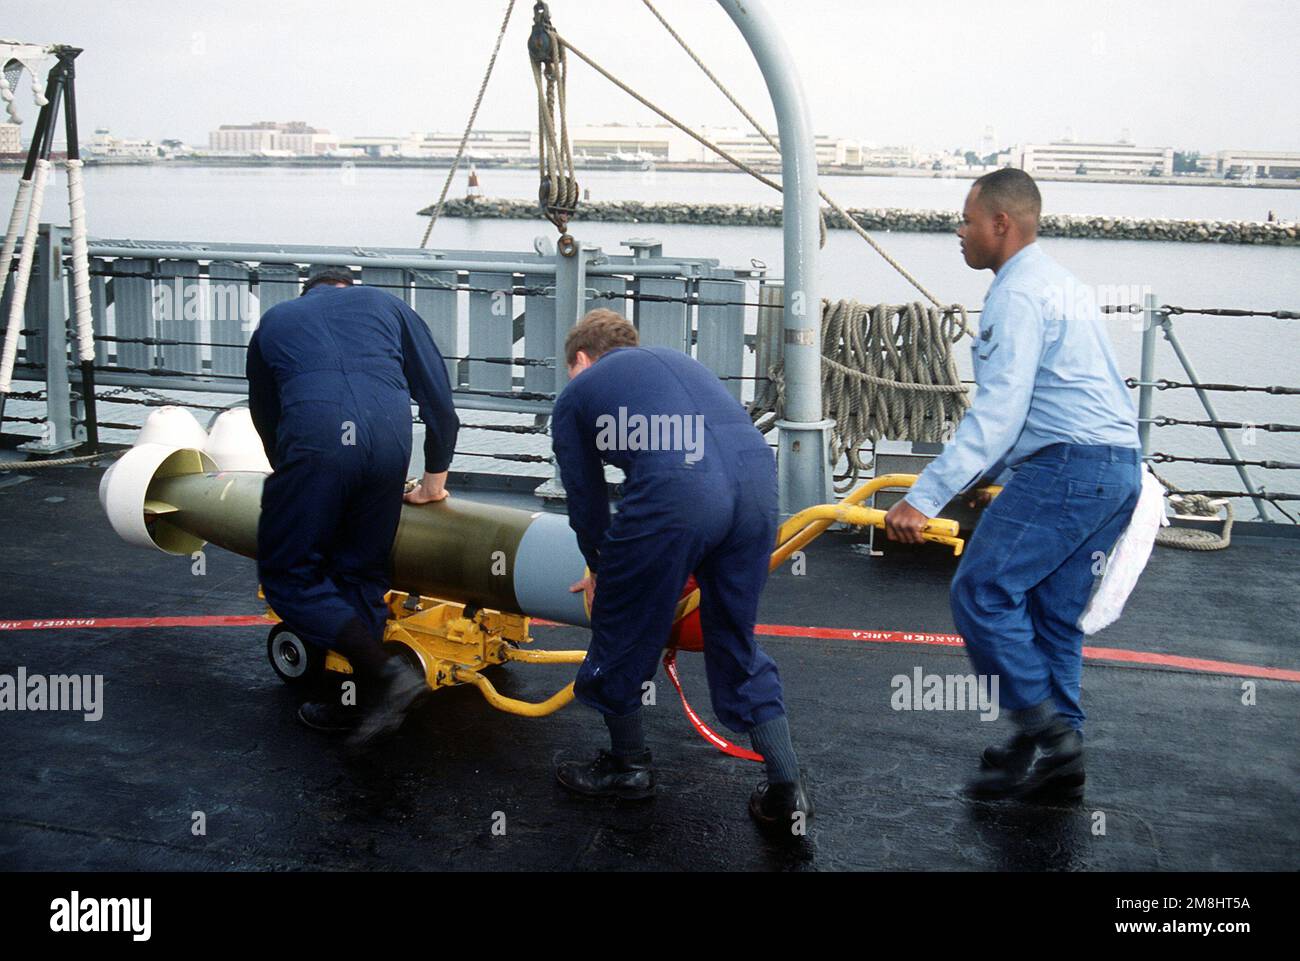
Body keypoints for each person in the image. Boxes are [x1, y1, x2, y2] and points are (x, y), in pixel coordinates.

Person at [883, 169, 1141, 800]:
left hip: (1070, 469)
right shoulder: (1061, 284)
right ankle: (1059, 755)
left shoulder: (1016, 294)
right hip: (1117, 468)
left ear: (1001, 224)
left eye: (967, 220)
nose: (959, 231)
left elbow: (999, 412)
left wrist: (924, 495)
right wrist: (989, 475)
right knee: (1052, 617)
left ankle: (1047, 734)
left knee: (983, 591)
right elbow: (1045, 402)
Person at [549, 309, 812, 832]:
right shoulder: (675, 362)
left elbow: (586, 498)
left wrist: (602, 568)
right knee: (734, 636)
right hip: (758, 484)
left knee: (622, 629)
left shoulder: (578, 393)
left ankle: (628, 768)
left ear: (580, 359)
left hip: (681, 492)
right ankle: (788, 788)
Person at [246, 264, 460, 744]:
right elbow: (440, 404)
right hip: (390, 441)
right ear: (349, 286)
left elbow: (266, 416)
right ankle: (362, 702)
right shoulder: (388, 305)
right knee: (363, 572)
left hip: (318, 441)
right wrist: (432, 483)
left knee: (288, 573)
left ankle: (384, 674)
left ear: (310, 292)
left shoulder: (276, 320)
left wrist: (303, 485)